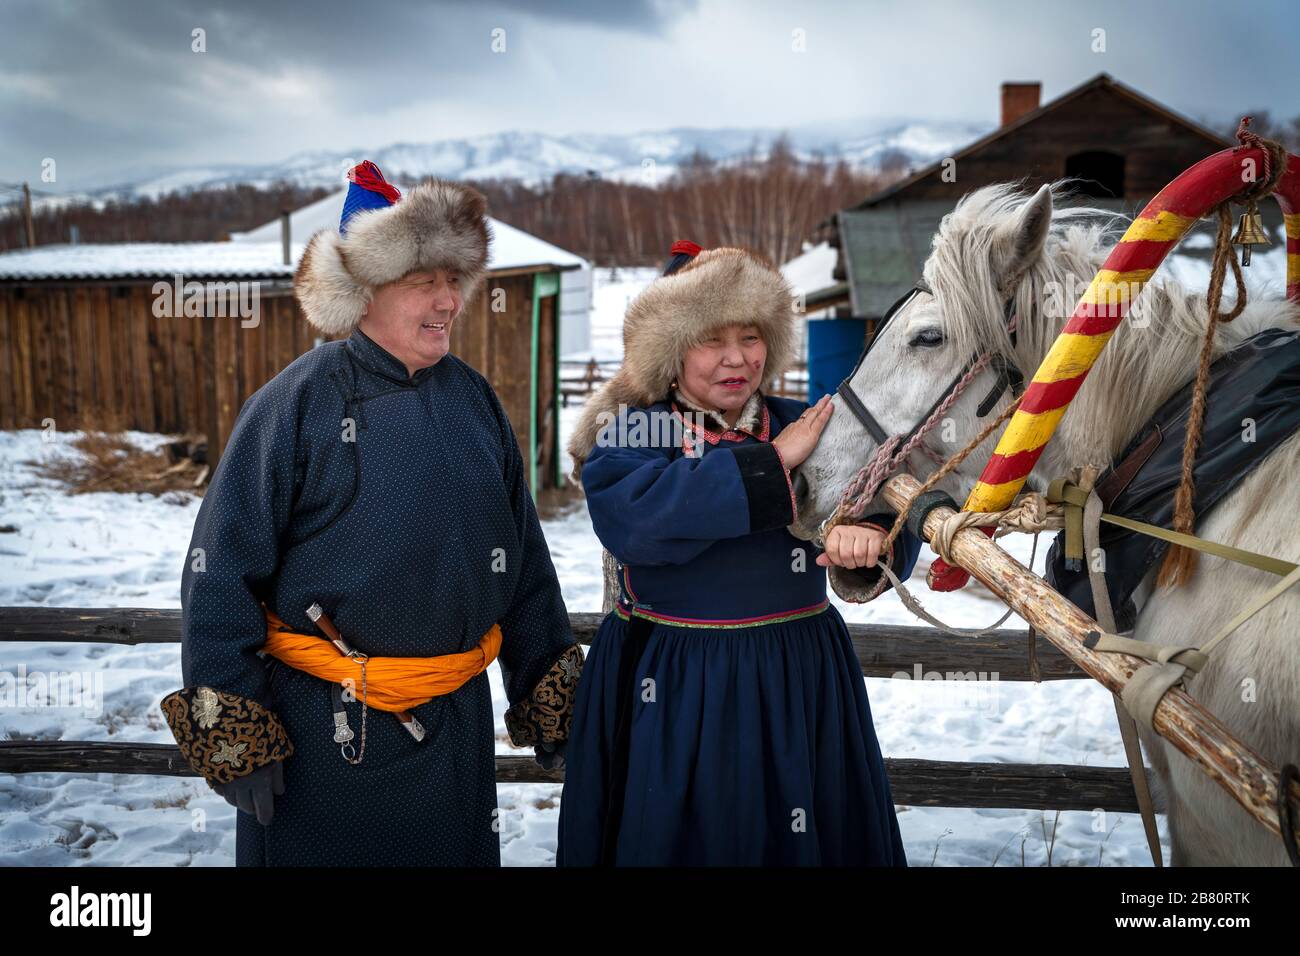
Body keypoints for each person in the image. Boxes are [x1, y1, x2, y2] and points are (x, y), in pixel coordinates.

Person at [160, 161, 583, 866]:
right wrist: (237, 732)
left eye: (454, 280)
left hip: (456, 734)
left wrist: (552, 699)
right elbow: (218, 573)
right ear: (362, 295)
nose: (448, 300)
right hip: (326, 740)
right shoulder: (294, 404)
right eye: (425, 282)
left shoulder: (475, 401)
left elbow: (526, 572)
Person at [556, 241, 920, 865]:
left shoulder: (810, 422)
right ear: (670, 354)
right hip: (675, 683)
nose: (737, 359)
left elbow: (881, 498)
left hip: (799, 675)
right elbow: (639, 520)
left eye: (750, 337)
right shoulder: (635, 431)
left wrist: (871, 538)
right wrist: (775, 464)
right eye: (710, 340)